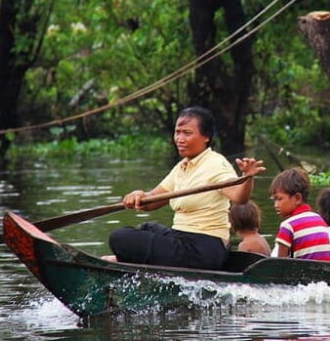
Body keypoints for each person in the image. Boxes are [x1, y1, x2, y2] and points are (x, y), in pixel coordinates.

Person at [104, 106, 265, 270]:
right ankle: (127, 261)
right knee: (148, 227)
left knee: (119, 237)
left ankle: (123, 261)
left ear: (206, 137)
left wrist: (247, 178)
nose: (180, 139)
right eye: (177, 132)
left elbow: (239, 197)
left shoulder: (216, 164)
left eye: (187, 133)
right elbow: (152, 201)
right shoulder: (182, 167)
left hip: (203, 249)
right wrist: (139, 196)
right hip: (181, 239)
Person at [271, 168, 330, 261]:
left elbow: (280, 263)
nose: (276, 205)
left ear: (297, 198)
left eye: (279, 199)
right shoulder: (320, 219)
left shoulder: (288, 225)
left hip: (303, 269)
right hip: (325, 269)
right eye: (274, 200)